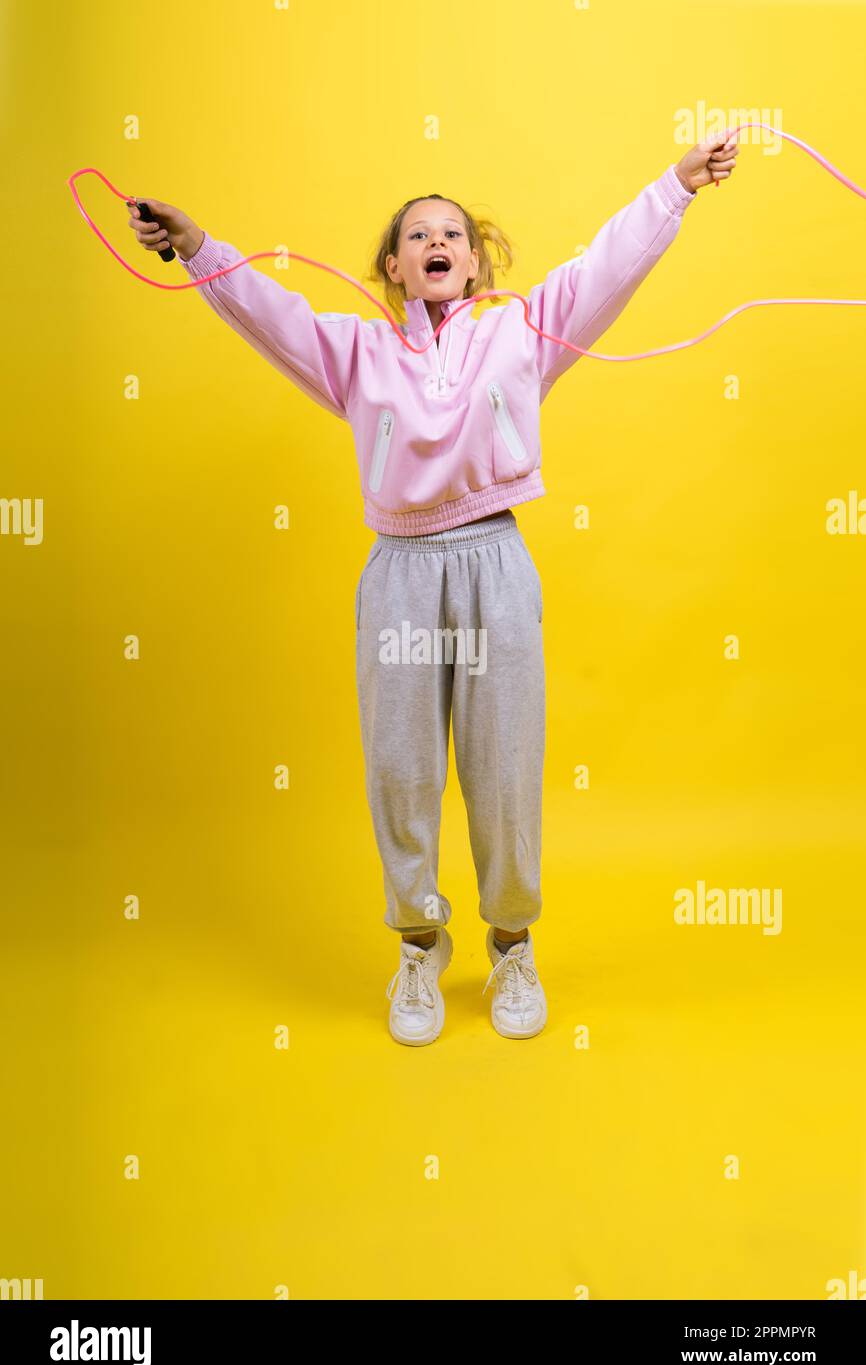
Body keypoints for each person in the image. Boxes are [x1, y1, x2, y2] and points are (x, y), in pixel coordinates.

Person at [126, 132, 738, 1047]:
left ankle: (511, 941)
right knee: (403, 771)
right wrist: (196, 246)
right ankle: (418, 943)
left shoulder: (522, 330)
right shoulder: (358, 355)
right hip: (401, 576)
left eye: (451, 232)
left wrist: (676, 185)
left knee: (503, 770)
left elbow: (603, 269)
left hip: (496, 562)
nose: (436, 242)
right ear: (395, 267)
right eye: (418, 236)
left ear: (475, 260)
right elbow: (273, 314)